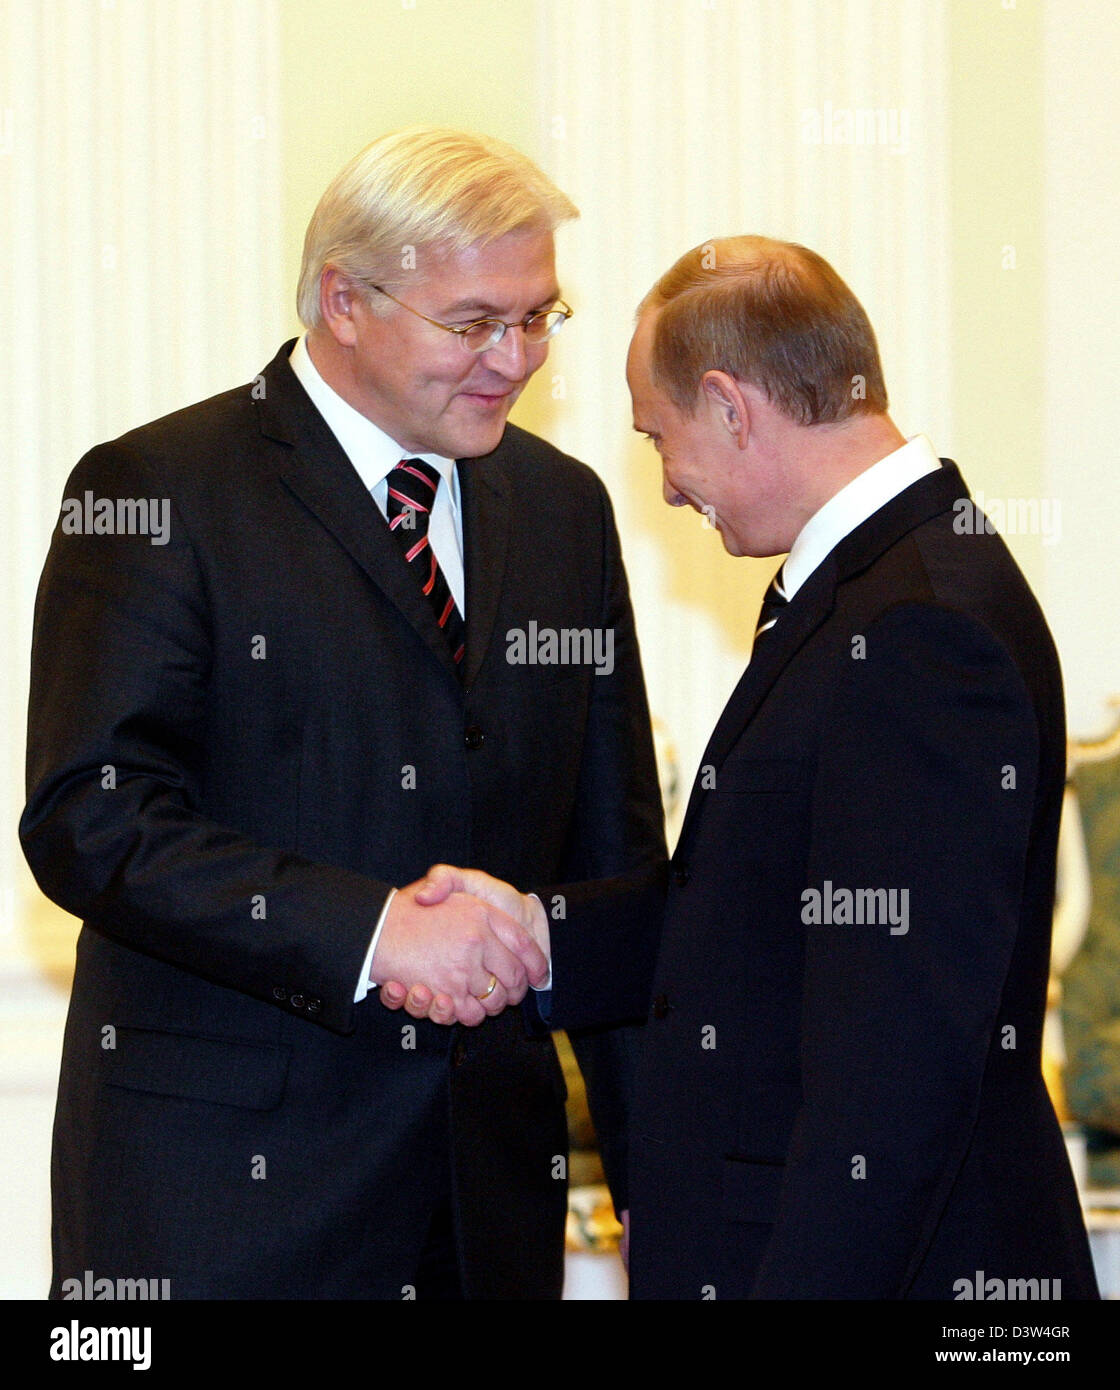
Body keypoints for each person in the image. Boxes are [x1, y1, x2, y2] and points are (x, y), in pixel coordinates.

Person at [20, 127, 665, 1300]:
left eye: (538, 318)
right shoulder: (157, 490)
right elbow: (91, 820)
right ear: (343, 300)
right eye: (473, 322)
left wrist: (661, 1203)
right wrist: (372, 930)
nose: (514, 359)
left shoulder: (566, 510)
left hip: (487, 1211)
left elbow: (616, 859)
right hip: (220, 1215)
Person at [406, 235, 1101, 1299]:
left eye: (659, 436)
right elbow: (763, 911)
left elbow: (894, 1073)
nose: (671, 487)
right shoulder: (886, 587)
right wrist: (541, 933)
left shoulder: (917, 628)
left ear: (731, 406)